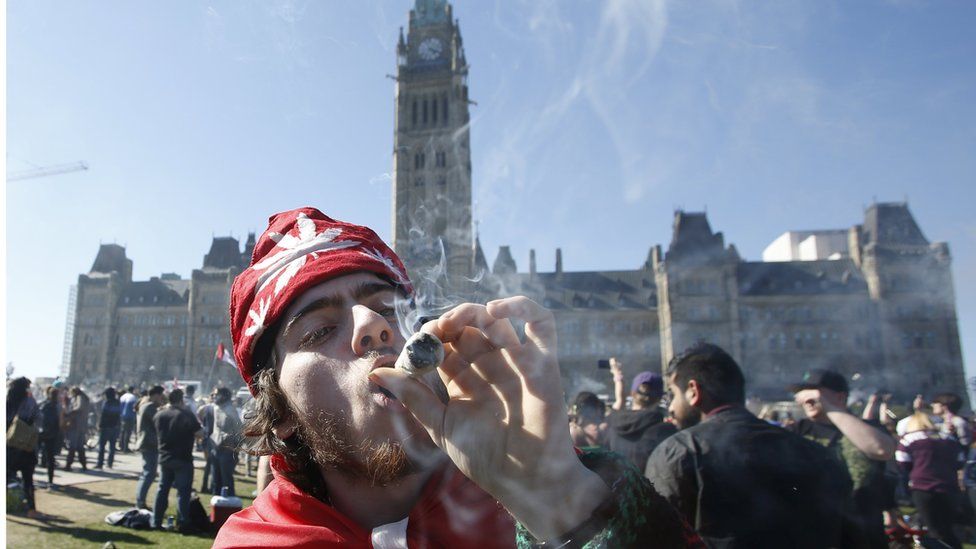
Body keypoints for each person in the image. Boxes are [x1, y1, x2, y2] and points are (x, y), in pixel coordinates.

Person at [213, 207, 701, 547]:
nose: (373, 325)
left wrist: (561, 500)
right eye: (320, 331)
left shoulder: (537, 491)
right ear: (278, 411)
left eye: (388, 308)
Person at [644, 343, 852, 547]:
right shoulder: (816, 453)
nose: (671, 408)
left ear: (693, 391)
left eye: (672, 394)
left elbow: (657, 538)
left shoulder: (679, 452)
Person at [788, 368, 896, 548]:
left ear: (840, 396)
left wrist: (829, 407)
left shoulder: (868, 427)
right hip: (815, 532)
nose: (807, 398)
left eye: (815, 391)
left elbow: (881, 450)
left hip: (864, 532)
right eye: (803, 392)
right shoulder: (796, 431)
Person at [897, 412, 965, 549]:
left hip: (923, 488)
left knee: (933, 529)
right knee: (947, 528)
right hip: (949, 488)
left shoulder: (909, 439)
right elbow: (960, 461)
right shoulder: (949, 438)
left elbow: (902, 462)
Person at [153, 388, 204, 532]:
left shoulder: (159, 414)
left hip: (165, 456)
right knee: (183, 492)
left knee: (162, 490)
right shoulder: (186, 414)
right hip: (183, 457)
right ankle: (183, 522)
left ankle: (156, 521)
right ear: (181, 400)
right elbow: (199, 433)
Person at [607, 366, 676, 471]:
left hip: (618, 481)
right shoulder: (666, 431)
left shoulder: (612, 424)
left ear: (632, 394)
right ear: (659, 398)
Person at [6, 377, 41, 518]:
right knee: (28, 480)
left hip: (9, 445)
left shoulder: (8, 401)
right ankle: (31, 510)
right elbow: (38, 418)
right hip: (26, 446)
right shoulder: (29, 401)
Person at [135, 385, 166, 510]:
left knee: (148, 473)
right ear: (156, 395)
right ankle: (140, 502)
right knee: (149, 474)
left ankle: (140, 501)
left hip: (148, 442)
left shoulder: (145, 405)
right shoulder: (149, 407)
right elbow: (159, 421)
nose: (162, 398)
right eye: (161, 395)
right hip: (149, 443)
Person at [211, 386, 244, 496]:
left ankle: (229, 501)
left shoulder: (230, 410)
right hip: (216, 447)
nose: (214, 396)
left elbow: (239, 429)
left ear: (224, 396)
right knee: (216, 478)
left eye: (217, 394)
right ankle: (216, 501)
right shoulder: (216, 408)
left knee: (226, 479)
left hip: (227, 449)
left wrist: (236, 446)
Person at [37, 385, 63, 489]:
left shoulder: (43, 404)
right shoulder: (58, 406)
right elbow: (60, 421)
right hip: (52, 434)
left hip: (41, 433)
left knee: (34, 455)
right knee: (51, 458)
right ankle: (50, 481)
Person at [63, 386, 92, 471]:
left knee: (73, 446)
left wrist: (69, 413)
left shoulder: (79, 397)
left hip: (76, 424)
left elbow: (78, 408)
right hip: (82, 425)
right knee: (80, 447)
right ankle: (83, 464)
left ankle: (68, 465)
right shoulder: (84, 398)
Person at [95, 387, 122, 469]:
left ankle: (100, 463)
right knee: (112, 447)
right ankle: (110, 463)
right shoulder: (117, 402)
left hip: (105, 427)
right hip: (114, 427)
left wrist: (100, 425)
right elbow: (119, 415)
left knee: (102, 446)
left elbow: (103, 415)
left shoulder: (106, 403)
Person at [197, 388, 217, 493]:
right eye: (213, 396)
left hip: (209, 438)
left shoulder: (207, 407)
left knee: (210, 464)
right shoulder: (208, 407)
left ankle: (207, 486)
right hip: (210, 438)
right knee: (211, 464)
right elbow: (199, 417)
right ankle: (208, 486)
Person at [119, 386, 139, 452]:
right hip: (130, 416)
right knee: (128, 432)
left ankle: (121, 446)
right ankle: (126, 447)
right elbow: (134, 407)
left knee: (123, 431)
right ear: (133, 390)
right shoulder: (133, 397)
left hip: (122, 416)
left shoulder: (122, 397)